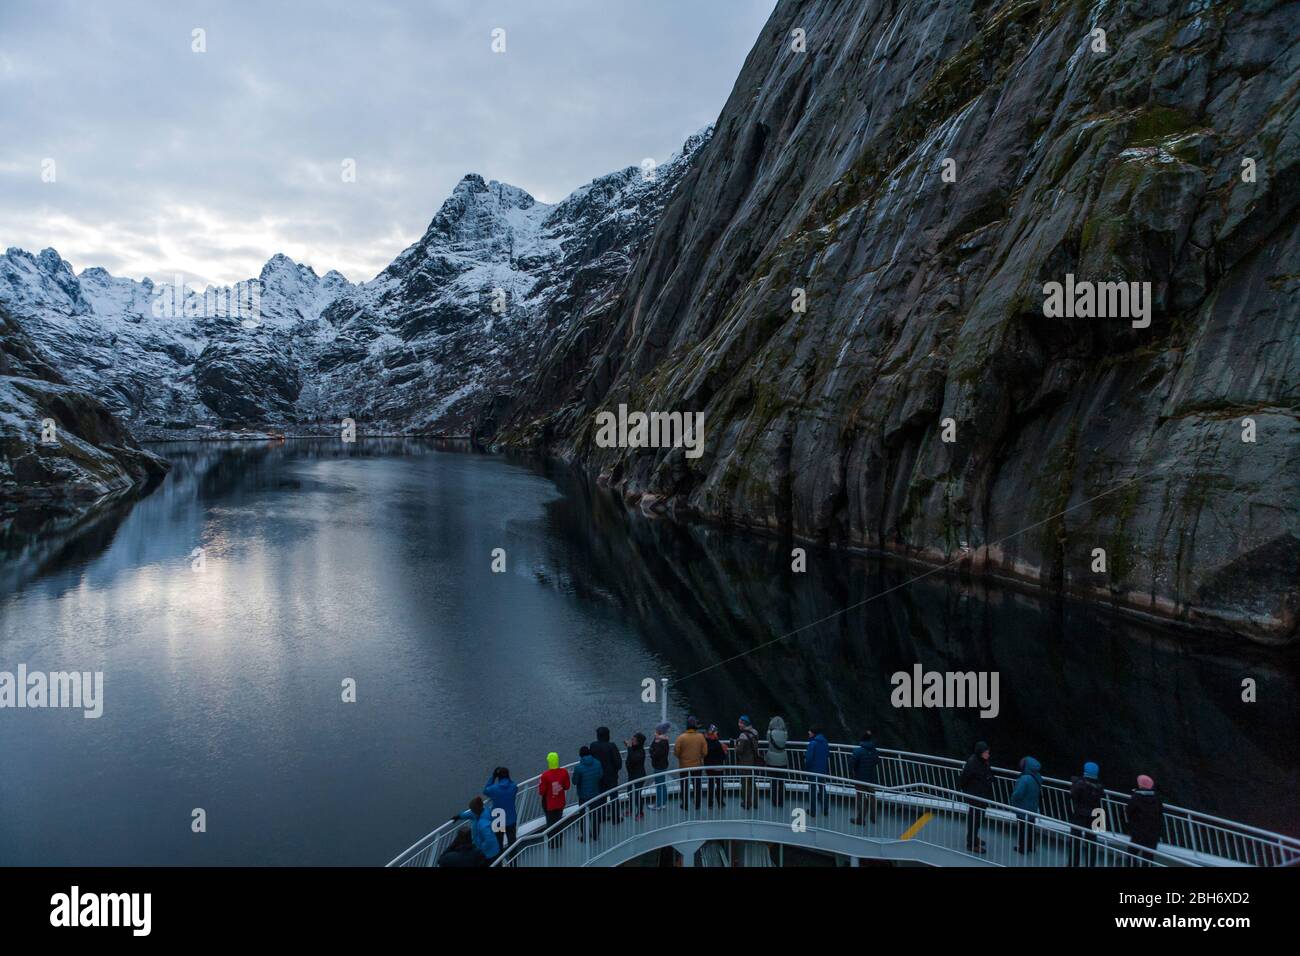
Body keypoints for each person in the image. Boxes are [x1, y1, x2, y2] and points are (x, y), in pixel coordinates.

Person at [958, 741, 994, 853]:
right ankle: (971, 844)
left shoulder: (982, 761)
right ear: (980, 752)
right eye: (986, 752)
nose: (988, 754)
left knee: (978, 819)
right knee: (974, 820)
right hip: (975, 797)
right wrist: (968, 792)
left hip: (981, 796)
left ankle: (974, 838)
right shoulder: (973, 763)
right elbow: (963, 779)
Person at [1069, 761, 1104, 867]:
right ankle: (1090, 864)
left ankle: (1073, 864)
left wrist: (1075, 782)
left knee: (1075, 840)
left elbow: (1073, 795)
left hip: (1080, 814)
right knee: (1092, 842)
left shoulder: (1080, 784)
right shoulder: (1099, 787)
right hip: (1096, 815)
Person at [589, 726, 623, 829]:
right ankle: (615, 818)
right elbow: (618, 763)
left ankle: (601, 816)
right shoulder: (611, 746)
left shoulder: (593, 746)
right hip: (611, 776)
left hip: (599, 777)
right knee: (613, 797)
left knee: (600, 798)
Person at [1127, 774, 1164, 866]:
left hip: (1138, 832)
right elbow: (1160, 814)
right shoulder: (1157, 798)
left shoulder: (1136, 797)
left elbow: (1129, 811)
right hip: (1153, 833)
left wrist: (1130, 826)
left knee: (1132, 854)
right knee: (1148, 857)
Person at [674, 717, 709, 810]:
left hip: (684, 766)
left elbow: (676, 752)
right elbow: (705, 752)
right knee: (697, 785)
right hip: (697, 765)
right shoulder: (700, 737)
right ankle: (697, 804)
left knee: (684, 785)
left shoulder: (681, 737)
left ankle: (685, 804)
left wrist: (681, 758)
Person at [571, 745, 604, 842]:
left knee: (583, 816)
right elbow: (600, 775)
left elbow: (575, 781)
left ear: (580, 755)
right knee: (595, 816)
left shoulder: (578, 768)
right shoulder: (597, 763)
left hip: (583, 796)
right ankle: (595, 835)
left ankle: (585, 835)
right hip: (595, 794)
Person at [1010, 756, 1042, 853]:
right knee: (1031, 828)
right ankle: (1031, 846)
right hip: (1033, 807)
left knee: (1022, 828)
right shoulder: (1037, 777)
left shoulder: (1024, 779)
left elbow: (1018, 793)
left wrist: (1013, 799)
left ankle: (1022, 848)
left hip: (1023, 808)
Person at [538, 751, 570, 847]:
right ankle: (559, 842)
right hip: (560, 802)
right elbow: (567, 786)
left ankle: (551, 844)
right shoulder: (564, 772)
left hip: (549, 803)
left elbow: (541, 792)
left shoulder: (545, 775)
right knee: (559, 822)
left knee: (550, 823)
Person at [454, 795, 499, 863]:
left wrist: (481, 848)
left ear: (476, 810)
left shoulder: (483, 824)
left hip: (489, 854)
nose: (471, 811)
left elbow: (489, 840)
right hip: (487, 850)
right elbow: (469, 814)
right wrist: (459, 816)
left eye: (472, 810)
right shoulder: (481, 812)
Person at [849, 731, 880, 825]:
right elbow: (876, 761)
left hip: (860, 778)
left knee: (861, 798)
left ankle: (860, 819)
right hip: (871, 778)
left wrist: (852, 774)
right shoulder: (874, 751)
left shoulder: (858, 751)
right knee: (872, 796)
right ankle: (873, 817)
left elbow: (851, 764)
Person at [483, 766, 518, 851]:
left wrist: (493, 777)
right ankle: (514, 862)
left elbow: (485, 790)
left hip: (498, 820)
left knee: (498, 844)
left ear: (498, 777)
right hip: (511, 819)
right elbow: (513, 783)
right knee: (512, 843)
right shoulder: (513, 787)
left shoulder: (493, 789)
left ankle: (499, 862)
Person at [735, 715, 762, 810]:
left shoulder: (743, 735)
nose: (738, 724)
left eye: (740, 722)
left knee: (745, 783)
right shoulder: (755, 732)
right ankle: (755, 803)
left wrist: (736, 745)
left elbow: (739, 750)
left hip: (745, 763)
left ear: (743, 724)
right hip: (754, 761)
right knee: (752, 782)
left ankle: (747, 803)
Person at [804, 725, 830, 817]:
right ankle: (825, 810)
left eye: (810, 731)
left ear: (813, 733)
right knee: (823, 789)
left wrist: (806, 769)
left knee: (812, 791)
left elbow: (809, 759)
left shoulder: (813, 744)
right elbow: (827, 755)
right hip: (822, 770)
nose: (808, 733)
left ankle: (813, 811)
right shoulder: (825, 742)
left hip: (813, 771)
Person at [704, 724, 728, 808]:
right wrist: (725, 751)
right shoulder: (718, 744)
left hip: (709, 767)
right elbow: (723, 757)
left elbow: (704, 754)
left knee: (710, 784)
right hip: (718, 768)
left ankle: (710, 804)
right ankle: (720, 802)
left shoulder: (706, 743)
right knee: (719, 785)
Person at [766, 716, 789, 806]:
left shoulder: (770, 733)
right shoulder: (785, 733)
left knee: (773, 782)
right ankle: (781, 801)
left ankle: (774, 801)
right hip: (783, 760)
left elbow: (768, 740)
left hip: (772, 760)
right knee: (781, 782)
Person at [625, 732, 648, 819]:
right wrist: (629, 746)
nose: (631, 741)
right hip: (631, 774)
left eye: (633, 740)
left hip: (639, 776)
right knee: (629, 792)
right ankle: (630, 809)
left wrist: (629, 747)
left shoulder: (641, 752)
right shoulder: (634, 748)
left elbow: (633, 758)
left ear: (638, 742)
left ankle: (640, 812)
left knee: (637, 795)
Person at [649, 722, 672, 810]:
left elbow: (655, 754)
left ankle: (658, 805)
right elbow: (652, 748)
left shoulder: (662, 742)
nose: (655, 731)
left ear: (659, 731)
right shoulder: (661, 740)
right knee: (662, 784)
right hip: (662, 765)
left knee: (659, 785)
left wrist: (652, 752)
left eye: (656, 730)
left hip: (659, 766)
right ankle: (663, 803)